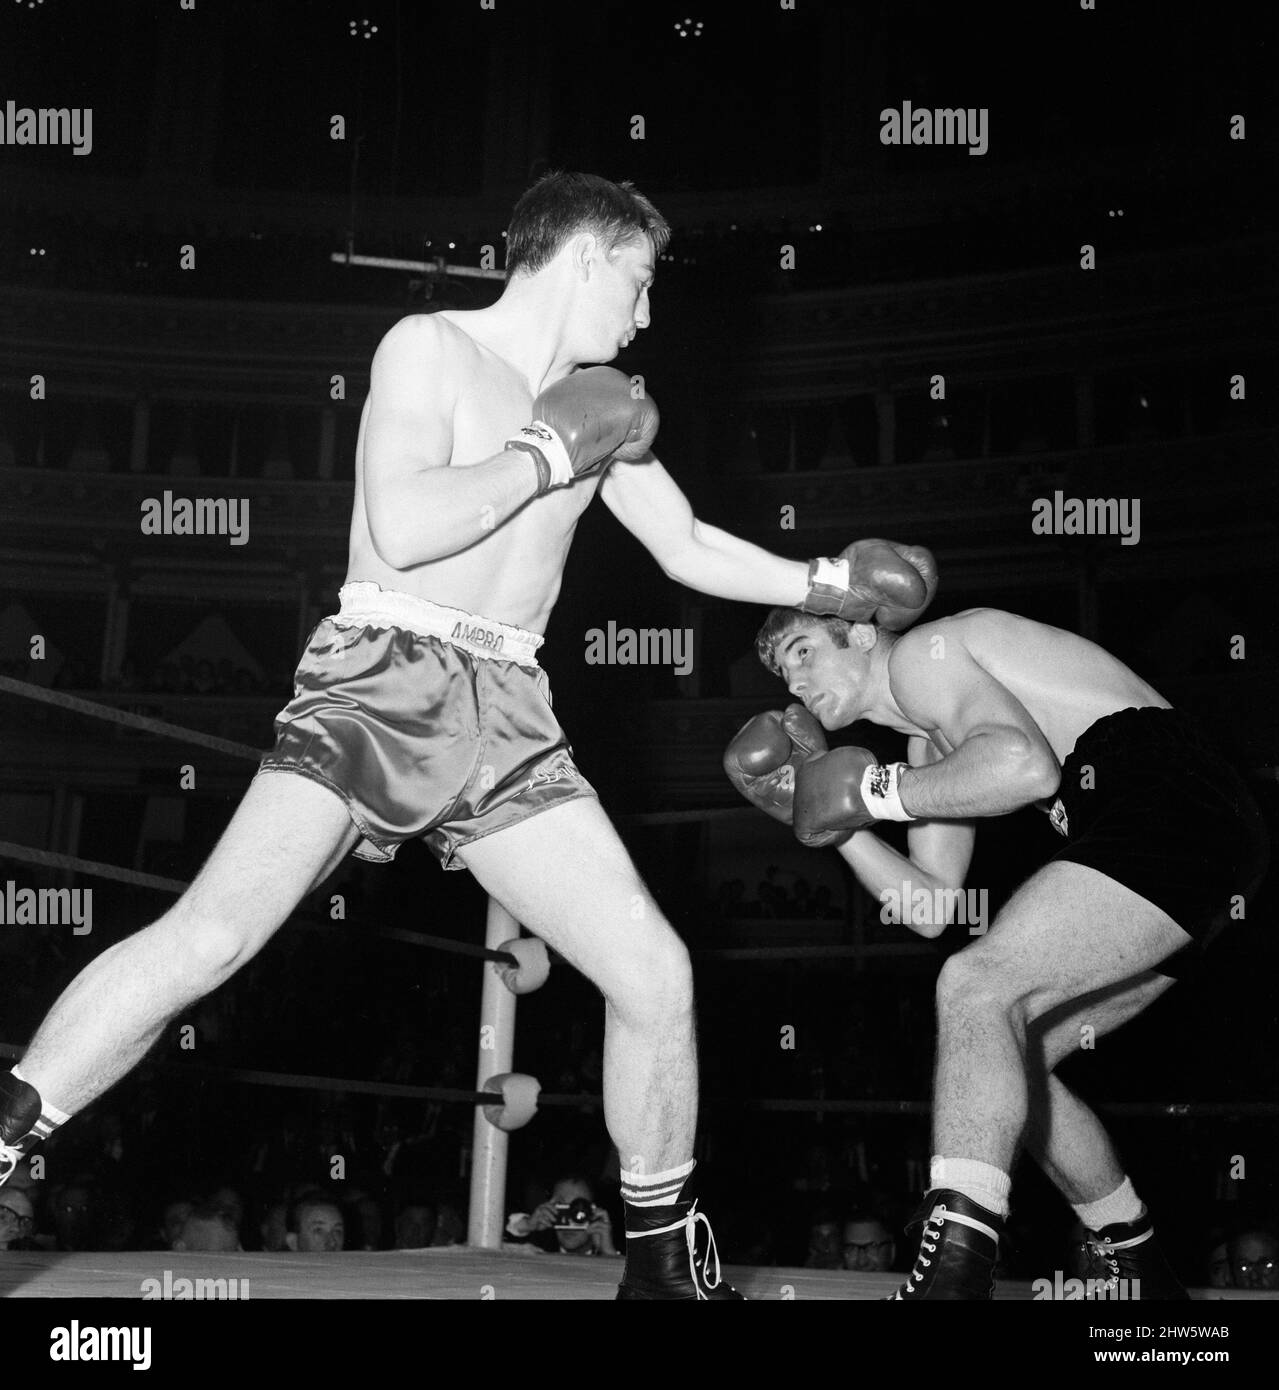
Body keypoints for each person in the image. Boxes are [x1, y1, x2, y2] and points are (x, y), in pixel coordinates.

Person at [0, 170, 937, 1301]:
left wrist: (830, 581)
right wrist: (546, 452)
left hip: (512, 710)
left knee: (653, 970)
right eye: (638, 284)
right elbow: (403, 522)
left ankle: (660, 1267)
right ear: (587, 254)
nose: (644, 317)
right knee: (211, 941)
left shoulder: (607, 405)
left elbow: (687, 544)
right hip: (383, 676)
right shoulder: (428, 346)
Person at [727, 604, 1268, 1299]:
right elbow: (931, 907)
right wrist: (838, 827)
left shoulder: (923, 654)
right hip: (1196, 843)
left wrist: (866, 792)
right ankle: (1141, 1268)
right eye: (780, 670)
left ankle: (952, 1276)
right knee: (1017, 1057)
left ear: (860, 633)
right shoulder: (926, 749)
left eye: (802, 651)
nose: (793, 681)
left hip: (1171, 802)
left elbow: (1023, 769)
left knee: (976, 983)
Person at [507, 1175, 619, 1257]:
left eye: (578, 1210)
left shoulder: (626, 1245)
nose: (570, 1219)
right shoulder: (537, 1250)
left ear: (595, 1212)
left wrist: (608, 1253)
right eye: (562, 1207)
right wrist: (526, 1225)